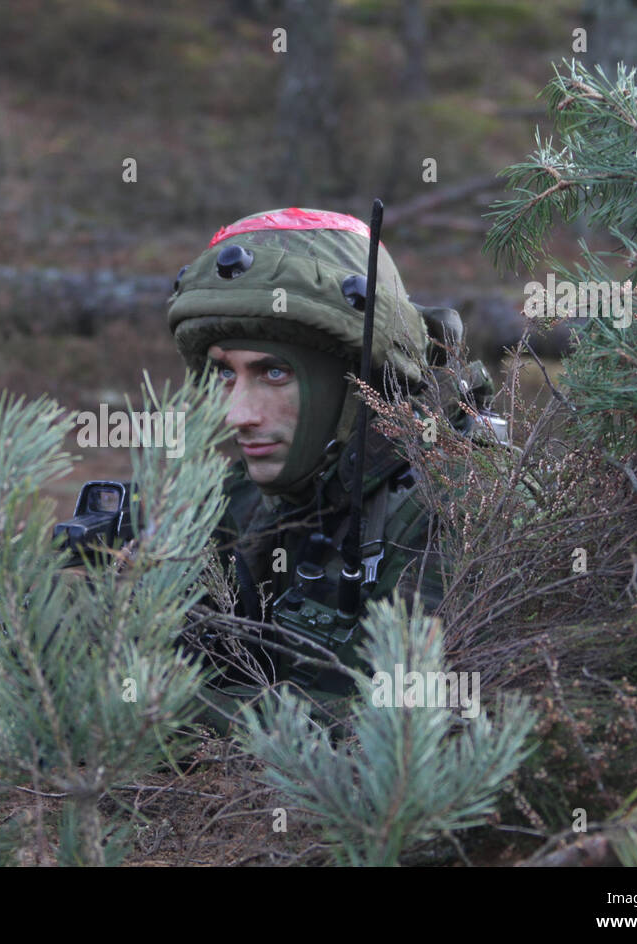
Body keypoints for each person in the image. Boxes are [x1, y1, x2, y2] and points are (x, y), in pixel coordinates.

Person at [167, 207, 497, 711]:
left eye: (274, 373)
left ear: (357, 384)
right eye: (224, 375)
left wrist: (178, 710)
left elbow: (414, 739)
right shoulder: (256, 497)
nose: (238, 415)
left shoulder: (460, 509)